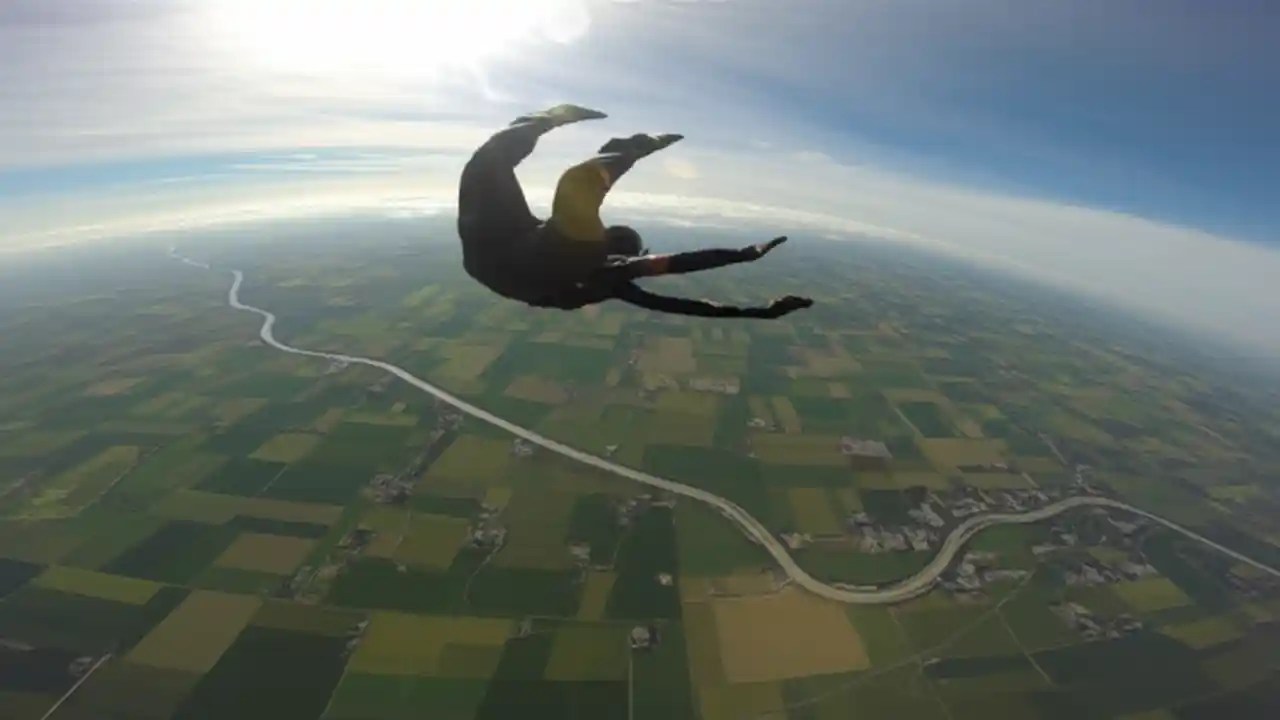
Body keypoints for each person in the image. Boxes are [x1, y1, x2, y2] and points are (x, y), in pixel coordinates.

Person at [456, 104, 815, 319]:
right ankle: (617, 142)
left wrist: (747, 258)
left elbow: (682, 272)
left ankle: (615, 140)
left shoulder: (608, 272)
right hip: (501, 253)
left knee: (493, 165)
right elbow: (682, 297)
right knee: (491, 165)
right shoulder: (613, 276)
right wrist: (760, 304)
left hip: (511, 258)